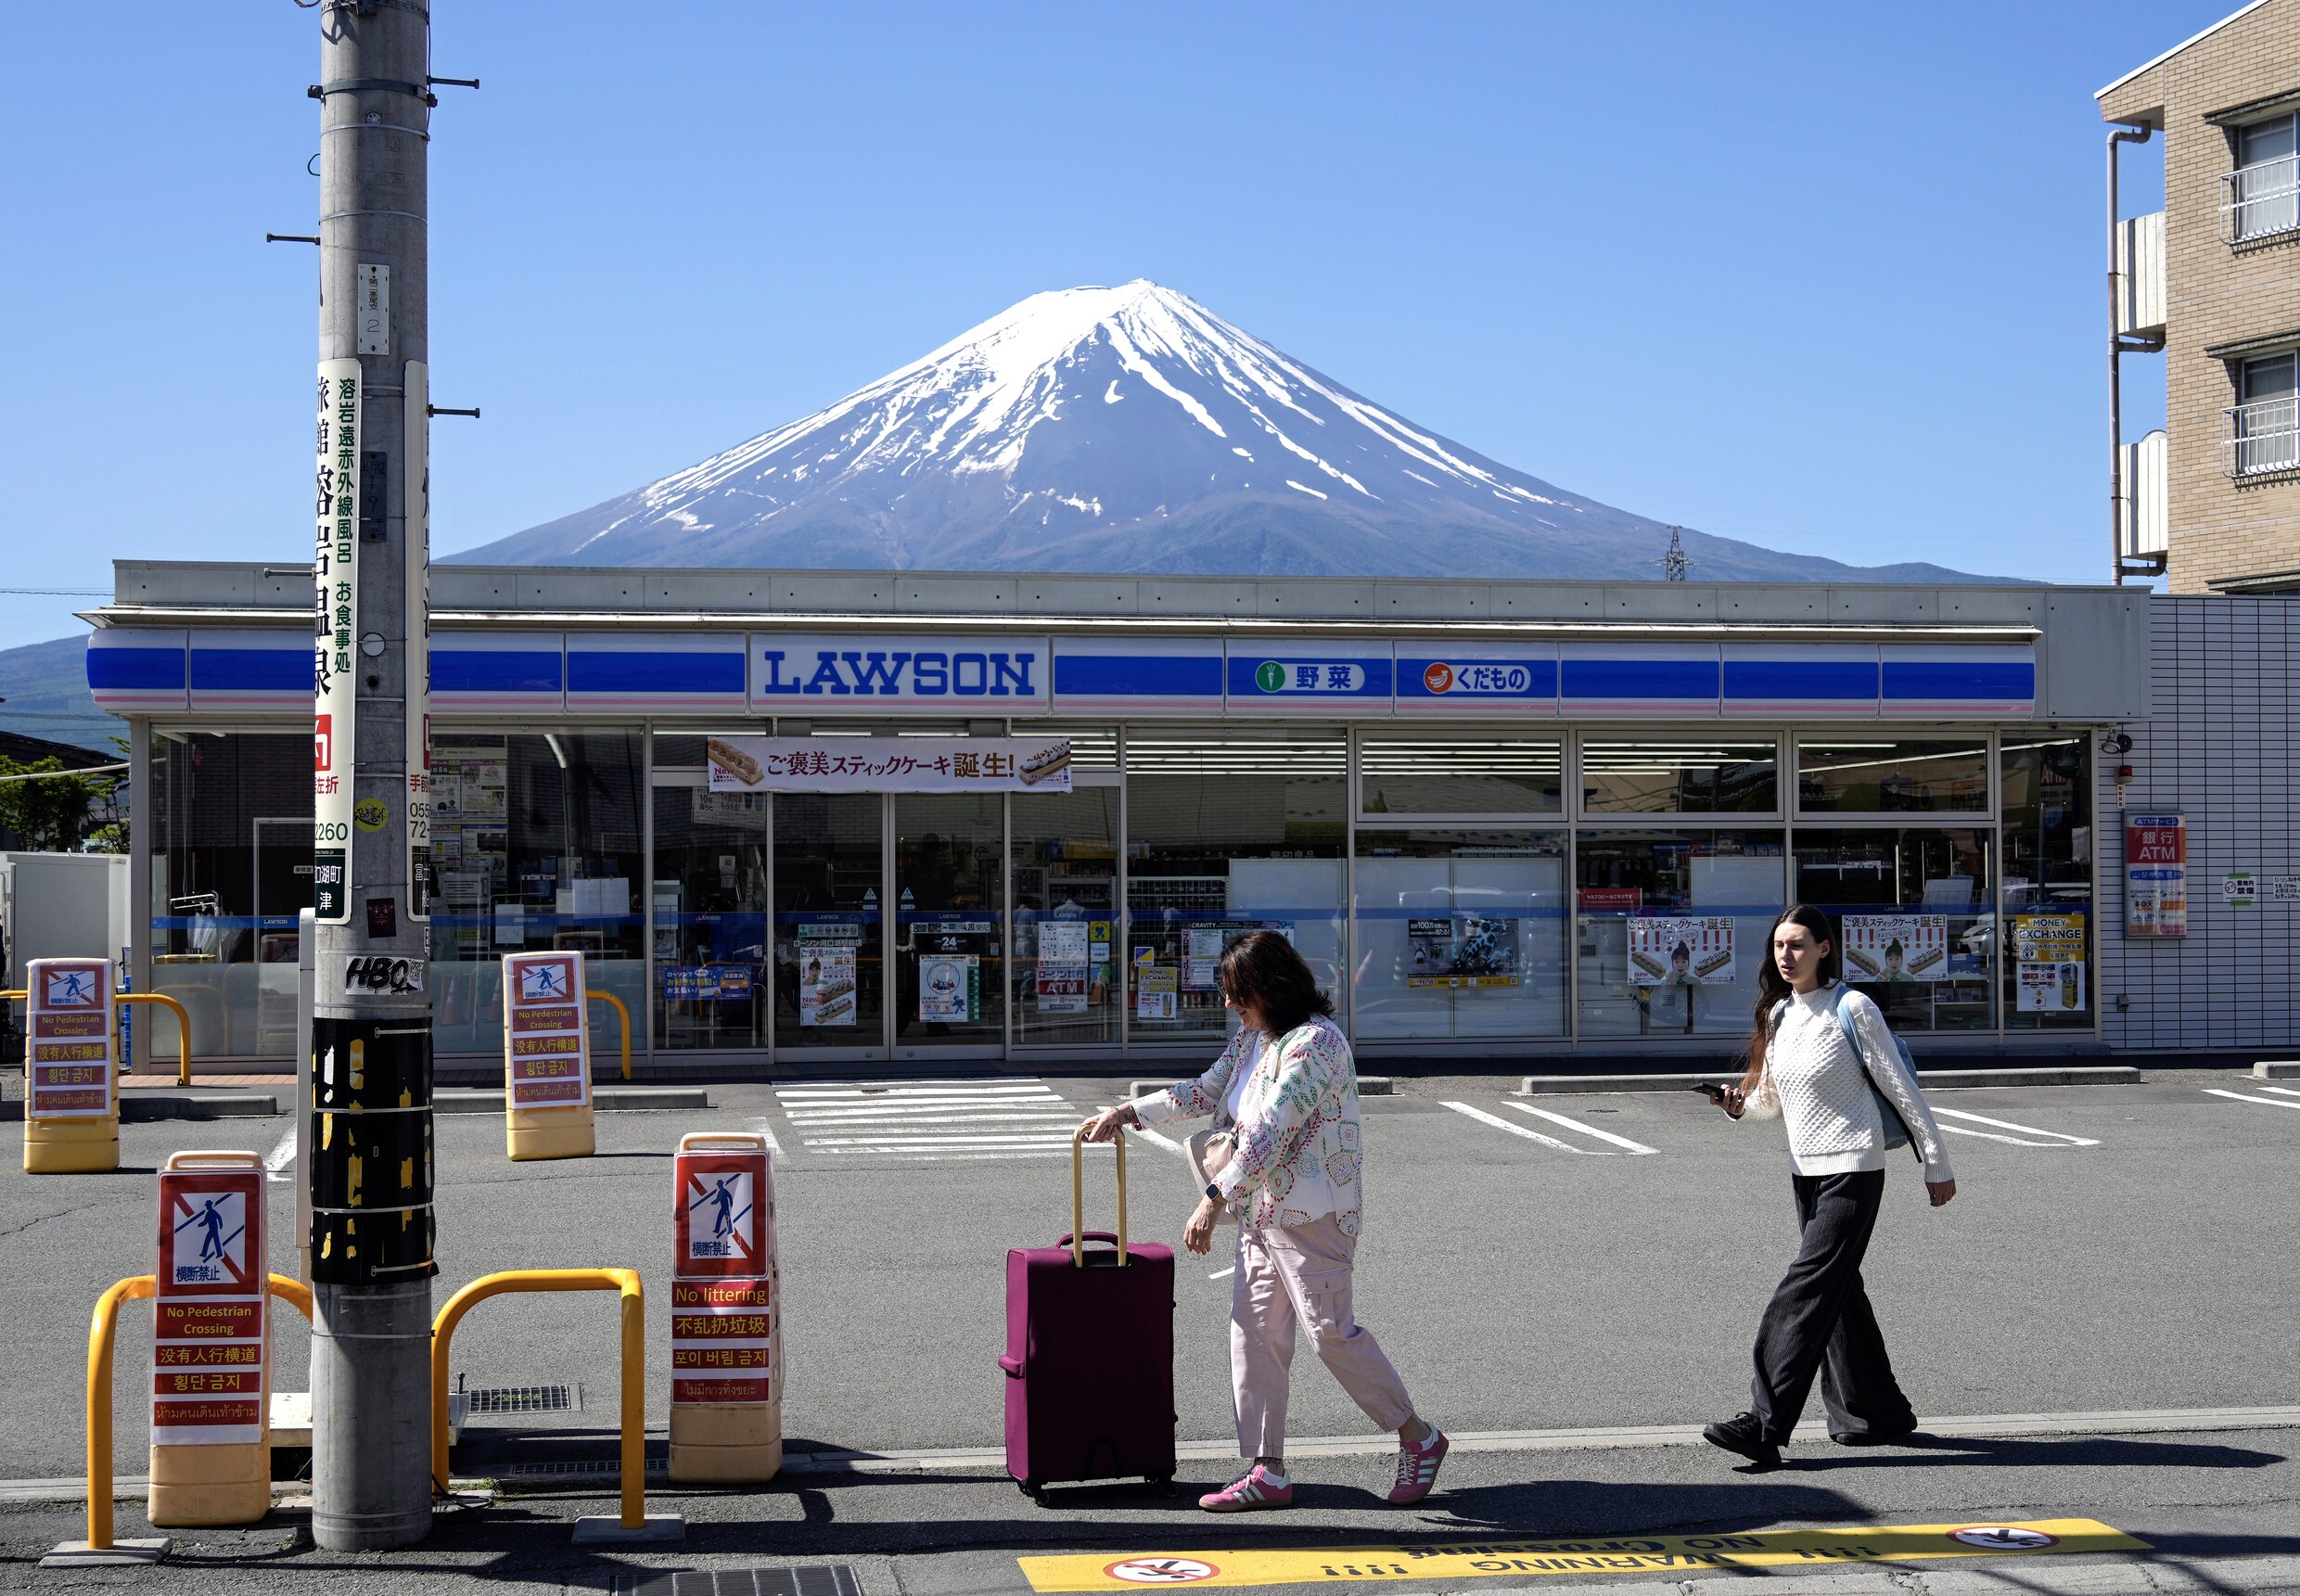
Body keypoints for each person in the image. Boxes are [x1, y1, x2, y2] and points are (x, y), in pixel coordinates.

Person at [1084, 930, 1444, 1512]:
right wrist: (1129, 1112)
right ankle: (1266, 1469)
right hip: (1261, 1211)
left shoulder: (1315, 1045)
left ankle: (1418, 1436)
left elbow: (1269, 1134)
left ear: (1270, 988)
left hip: (1312, 1213)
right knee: (1253, 1335)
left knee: (1329, 1333)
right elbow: (1205, 1092)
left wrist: (1211, 1200)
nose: (1230, 1005)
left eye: (1237, 993)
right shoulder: (1255, 1037)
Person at [1700, 904, 1957, 1471]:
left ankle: (1764, 1425)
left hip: (1854, 1168)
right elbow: (1771, 1100)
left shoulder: (1853, 1008)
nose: (1786, 956)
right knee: (1839, 1291)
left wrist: (1935, 1161)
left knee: (1806, 1289)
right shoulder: (1779, 1017)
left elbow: (1901, 1087)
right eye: (1778, 947)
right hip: (1805, 1170)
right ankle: (1873, 1412)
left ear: (1825, 949)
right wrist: (1736, 1106)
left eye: (1797, 945)